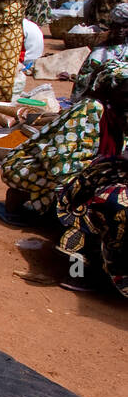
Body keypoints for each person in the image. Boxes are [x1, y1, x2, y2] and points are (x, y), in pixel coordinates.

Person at [0, 7, 128, 220]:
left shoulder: (117, 115)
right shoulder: (92, 111)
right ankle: (24, 197)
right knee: (86, 186)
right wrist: (86, 182)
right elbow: (58, 159)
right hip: (35, 166)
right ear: (111, 91)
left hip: (61, 164)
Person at [54, 59, 128, 297]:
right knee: (90, 186)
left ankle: (87, 269)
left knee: (107, 201)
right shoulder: (95, 112)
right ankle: (82, 264)